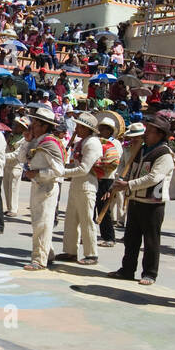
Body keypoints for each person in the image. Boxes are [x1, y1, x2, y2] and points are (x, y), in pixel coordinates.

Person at [109, 115, 173, 285]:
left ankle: (150, 273)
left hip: (153, 203)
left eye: (150, 131)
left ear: (160, 135)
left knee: (151, 240)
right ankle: (127, 269)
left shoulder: (164, 153)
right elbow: (131, 168)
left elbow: (154, 178)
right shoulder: (141, 149)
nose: (146, 134)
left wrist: (128, 184)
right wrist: (122, 181)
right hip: (136, 200)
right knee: (131, 239)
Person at [19, 106, 66, 271]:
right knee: (38, 222)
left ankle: (39, 259)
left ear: (45, 126)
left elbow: (59, 171)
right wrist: (26, 141)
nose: (32, 127)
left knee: (43, 223)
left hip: (47, 187)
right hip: (37, 186)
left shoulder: (50, 144)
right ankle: (48, 253)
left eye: (36, 124)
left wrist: (38, 173)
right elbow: (21, 157)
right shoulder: (36, 141)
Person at [57, 111, 101, 264]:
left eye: (80, 126)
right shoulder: (81, 142)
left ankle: (91, 254)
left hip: (87, 185)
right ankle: (70, 251)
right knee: (71, 219)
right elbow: (76, 165)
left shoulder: (92, 143)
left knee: (86, 220)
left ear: (88, 128)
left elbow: (84, 169)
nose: (77, 128)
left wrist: (63, 172)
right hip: (76, 184)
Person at [94, 115, 123, 246]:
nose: (101, 131)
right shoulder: (97, 141)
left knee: (104, 208)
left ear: (110, 131)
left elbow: (114, 161)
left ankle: (109, 237)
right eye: (100, 128)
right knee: (91, 207)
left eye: (104, 129)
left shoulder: (115, 143)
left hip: (107, 178)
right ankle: (90, 234)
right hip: (95, 176)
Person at [2, 115, 29, 217]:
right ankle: (9, 208)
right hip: (7, 165)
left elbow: (16, 154)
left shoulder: (24, 140)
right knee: (6, 188)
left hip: (16, 166)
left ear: (23, 129)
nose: (15, 127)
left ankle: (13, 209)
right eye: (16, 125)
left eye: (18, 126)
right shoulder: (11, 137)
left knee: (13, 188)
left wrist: (1, 156)